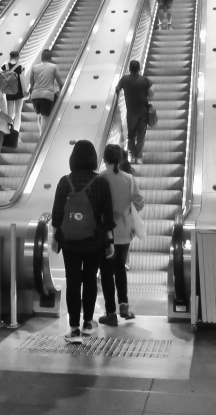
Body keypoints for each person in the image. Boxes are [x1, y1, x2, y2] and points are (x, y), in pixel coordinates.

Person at [50, 140, 115, 342]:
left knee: (72, 282)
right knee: (89, 281)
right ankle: (88, 323)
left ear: (73, 158)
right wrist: (109, 241)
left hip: (70, 241)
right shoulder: (101, 182)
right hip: (94, 241)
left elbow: (57, 214)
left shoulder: (64, 182)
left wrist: (55, 238)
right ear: (93, 159)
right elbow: (107, 216)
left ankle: (74, 329)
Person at [97, 144, 144, 327]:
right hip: (125, 232)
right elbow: (139, 202)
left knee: (107, 273)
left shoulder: (101, 178)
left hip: (105, 234)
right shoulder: (129, 179)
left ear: (105, 159)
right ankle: (123, 304)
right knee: (120, 269)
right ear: (120, 159)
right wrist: (128, 213)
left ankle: (110, 313)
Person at [115, 60, 154, 164]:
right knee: (141, 134)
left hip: (131, 113)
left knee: (131, 135)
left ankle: (132, 156)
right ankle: (139, 156)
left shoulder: (124, 79)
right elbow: (152, 94)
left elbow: (117, 88)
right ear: (139, 69)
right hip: (143, 112)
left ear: (129, 69)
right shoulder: (145, 80)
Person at [28, 49, 64, 133]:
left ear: (41, 57)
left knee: (39, 116)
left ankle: (41, 135)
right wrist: (60, 93)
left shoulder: (34, 67)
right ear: (50, 58)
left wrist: (31, 95)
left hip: (35, 96)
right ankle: (42, 139)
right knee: (45, 117)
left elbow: (31, 85)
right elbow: (60, 83)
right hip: (47, 95)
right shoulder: (54, 67)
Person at [0, 51, 27, 133]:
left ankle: (9, 131)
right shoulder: (20, 67)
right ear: (18, 57)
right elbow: (22, 81)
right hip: (18, 92)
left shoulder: (4, 67)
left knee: (9, 113)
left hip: (9, 93)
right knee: (18, 112)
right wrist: (25, 91)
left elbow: (1, 81)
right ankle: (16, 132)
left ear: (10, 57)